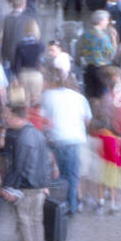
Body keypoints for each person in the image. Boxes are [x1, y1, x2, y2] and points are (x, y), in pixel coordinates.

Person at [0, 100, 51, 241]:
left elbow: (18, 166)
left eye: (8, 116)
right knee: (37, 221)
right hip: (39, 186)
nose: (6, 120)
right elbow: (45, 160)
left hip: (26, 187)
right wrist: (45, 183)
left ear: (15, 117)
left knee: (24, 221)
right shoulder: (37, 134)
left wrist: (7, 186)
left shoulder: (22, 138)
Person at [41, 70, 91, 215]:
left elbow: (43, 119)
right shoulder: (80, 98)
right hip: (72, 140)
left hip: (53, 140)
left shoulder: (47, 96)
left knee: (53, 175)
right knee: (71, 176)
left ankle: (53, 206)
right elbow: (87, 120)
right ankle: (71, 206)